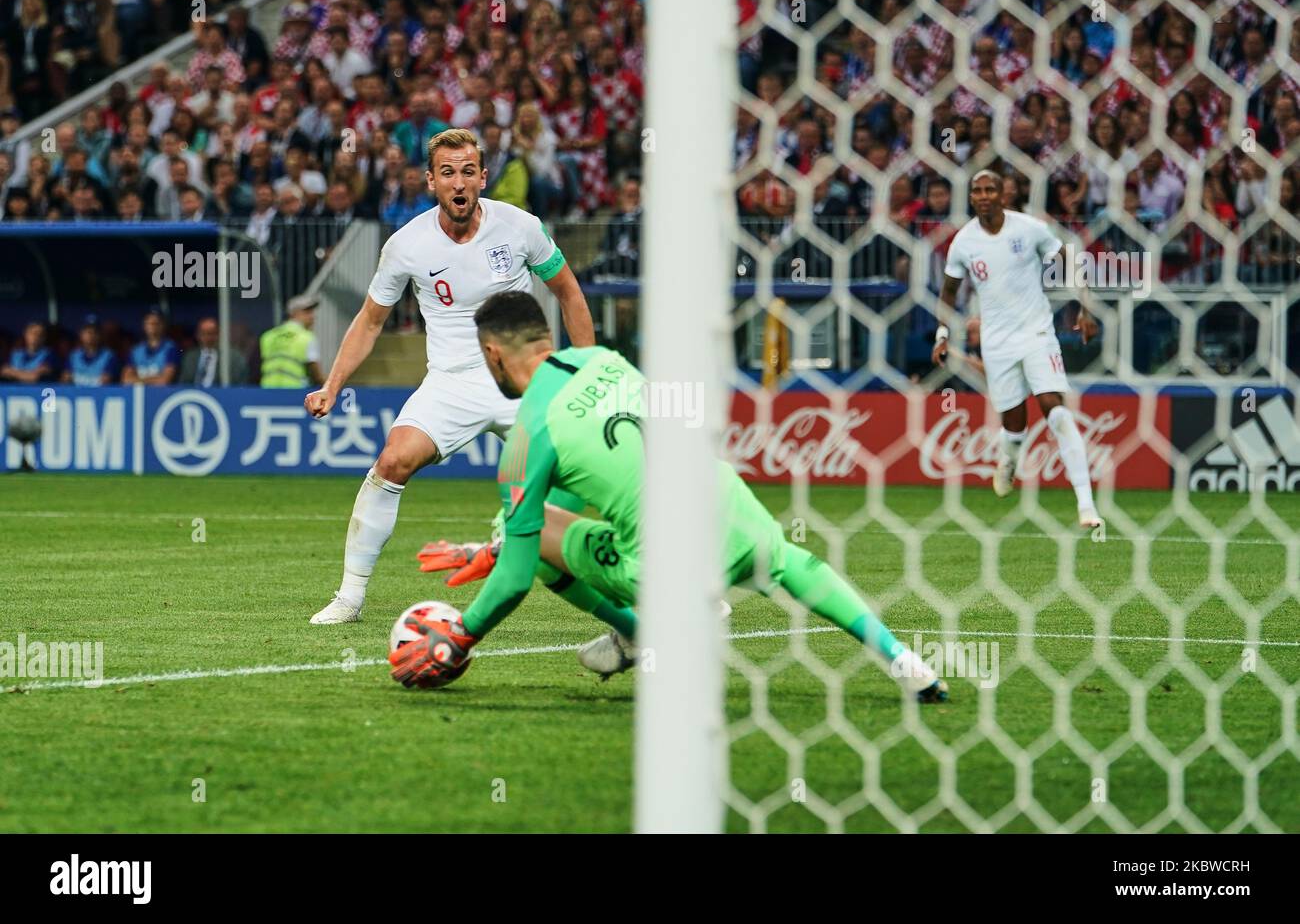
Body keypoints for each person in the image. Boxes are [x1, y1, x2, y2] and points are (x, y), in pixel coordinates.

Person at [389, 291, 949, 703]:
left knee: (529, 544)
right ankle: (906, 662)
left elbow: (513, 576)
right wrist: (496, 539)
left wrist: (462, 636)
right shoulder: (608, 360)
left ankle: (648, 626)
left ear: (492, 354)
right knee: (790, 561)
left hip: (660, 564)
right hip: (726, 507)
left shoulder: (524, 439)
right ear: (547, 338)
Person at [303, 128, 595, 625]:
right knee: (392, 461)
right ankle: (349, 598)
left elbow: (568, 292)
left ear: (482, 178)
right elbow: (371, 319)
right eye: (447, 173)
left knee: (604, 474)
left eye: (467, 171)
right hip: (452, 382)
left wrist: (588, 369)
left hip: (524, 378)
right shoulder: (406, 245)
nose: (458, 182)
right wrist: (333, 384)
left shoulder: (519, 226)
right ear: (431, 182)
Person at [932, 168, 1101, 528]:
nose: (983, 195)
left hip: (1038, 333)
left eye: (990, 189)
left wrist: (1086, 308)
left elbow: (1070, 259)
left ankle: (1087, 506)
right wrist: (942, 334)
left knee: (1054, 408)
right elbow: (947, 292)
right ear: (972, 197)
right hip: (997, 343)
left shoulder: (1029, 228)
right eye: (977, 190)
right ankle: (1009, 460)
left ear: (1003, 195)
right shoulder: (963, 242)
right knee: (1015, 423)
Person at [259, 293, 323, 388]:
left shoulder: (268, 336)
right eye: (307, 312)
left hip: (266, 389)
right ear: (294, 313)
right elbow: (316, 375)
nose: (312, 316)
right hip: (295, 391)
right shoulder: (307, 337)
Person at [181, 316, 250, 387]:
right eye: (203, 333)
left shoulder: (233, 357)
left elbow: (240, 383)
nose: (207, 337)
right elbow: (183, 382)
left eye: (211, 333)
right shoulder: (190, 357)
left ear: (218, 334)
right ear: (197, 335)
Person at [122, 308, 179, 385]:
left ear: (163, 325)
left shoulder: (171, 348)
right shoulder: (136, 350)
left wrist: (137, 380)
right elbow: (126, 380)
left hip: (162, 394)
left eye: (156, 323)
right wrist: (155, 379)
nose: (152, 326)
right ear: (144, 325)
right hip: (139, 394)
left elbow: (164, 380)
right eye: (149, 322)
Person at [62, 317, 118, 385]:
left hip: (99, 394)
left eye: (95, 332)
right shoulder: (73, 356)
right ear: (81, 334)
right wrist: (95, 379)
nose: (91, 335)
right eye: (88, 332)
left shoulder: (109, 355)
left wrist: (75, 378)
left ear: (100, 335)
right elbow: (65, 378)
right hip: (76, 394)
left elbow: (106, 380)